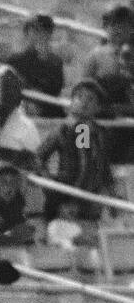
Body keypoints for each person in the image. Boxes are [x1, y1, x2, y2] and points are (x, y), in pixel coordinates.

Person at [36, 79, 115, 221]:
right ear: (71, 101)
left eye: (90, 99)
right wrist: (51, 186)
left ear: (98, 107)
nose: (84, 102)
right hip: (69, 198)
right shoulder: (71, 128)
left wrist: (109, 192)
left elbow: (102, 165)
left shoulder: (99, 131)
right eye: (79, 97)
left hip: (90, 199)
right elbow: (38, 158)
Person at [6, 14, 65, 120]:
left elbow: (56, 89)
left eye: (46, 32)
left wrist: (46, 61)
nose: (41, 35)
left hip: (47, 110)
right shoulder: (15, 60)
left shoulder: (55, 61)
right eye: (36, 31)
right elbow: (10, 87)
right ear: (27, 33)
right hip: (20, 110)